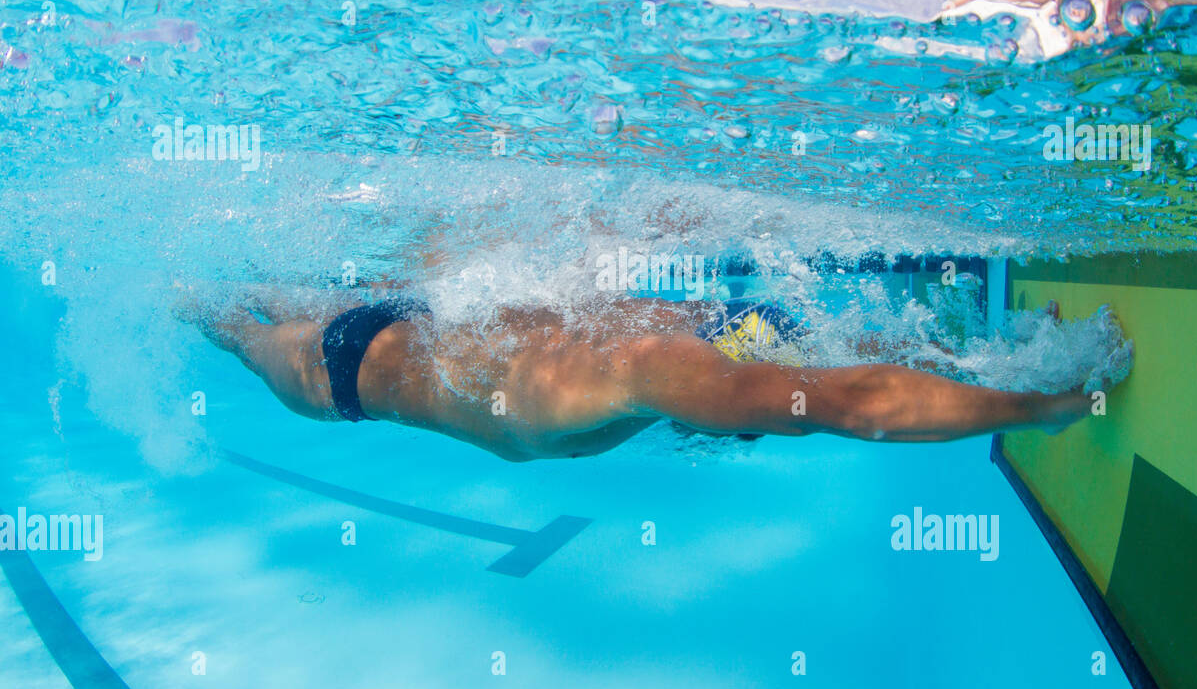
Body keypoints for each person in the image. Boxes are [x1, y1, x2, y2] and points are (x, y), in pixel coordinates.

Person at [180, 278, 1112, 463]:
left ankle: (199, 304)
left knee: (247, 322)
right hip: (364, 363)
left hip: (375, 353)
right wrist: (1040, 403)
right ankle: (194, 304)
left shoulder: (673, 348)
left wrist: (1023, 381)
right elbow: (854, 405)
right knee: (244, 319)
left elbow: (848, 389)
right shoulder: (668, 357)